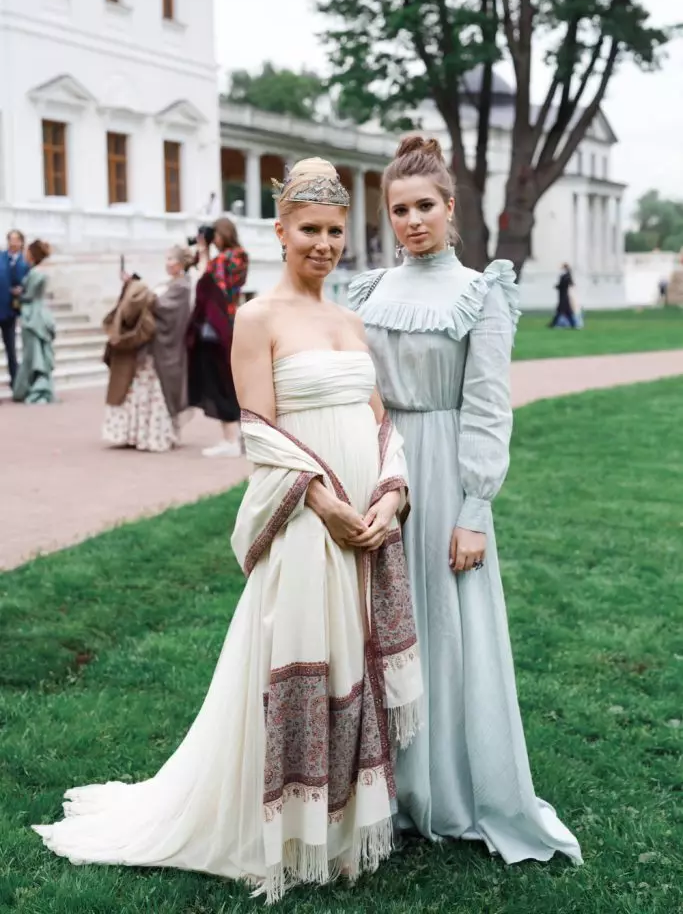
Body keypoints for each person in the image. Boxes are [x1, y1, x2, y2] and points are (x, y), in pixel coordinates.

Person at [33, 158, 423, 902]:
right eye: (309, 229)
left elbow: (380, 425)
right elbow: (262, 434)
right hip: (309, 520)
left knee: (353, 667)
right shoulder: (257, 317)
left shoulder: (349, 320)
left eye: (335, 231)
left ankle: (343, 830)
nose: (323, 244)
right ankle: (284, 828)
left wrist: (389, 496)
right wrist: (325, 503)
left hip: (365, 521)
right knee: (307, 663)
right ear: (278, 232)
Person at [348, 136, 582, 867]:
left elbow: (486, 405)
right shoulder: (368, 290)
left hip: (446, 472)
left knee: (448, 631)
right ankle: (386, 787)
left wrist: (473, 508)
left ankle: (446, 791)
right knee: (381, 628)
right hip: (379, 471)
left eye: (425, 207)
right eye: (399, 210)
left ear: (450, 210)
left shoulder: (481, 291)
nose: (412, 221)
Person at [102, 245, 193, 452]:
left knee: (156, 392)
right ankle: (138, 434)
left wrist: (137, 287)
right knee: (142, 389)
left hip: (163, 350)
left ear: (180, 264)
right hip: (151, 349)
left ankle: (155, 435)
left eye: (171, 259)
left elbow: (159, 307)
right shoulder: (170, 283)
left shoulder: (182, 287)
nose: (167, 262)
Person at [187, 217, 248, 458]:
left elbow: (206, 282)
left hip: (218, 329)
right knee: (232, 382)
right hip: (233, 325)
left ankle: (230, 439)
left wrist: (203, 251)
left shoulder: (224, 259)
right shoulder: (241, 256)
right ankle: (239, 435)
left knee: (221, 383)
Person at [12, 240, 56, 404]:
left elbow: (28, 296)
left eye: (27, 252)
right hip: (39, 313)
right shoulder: (38, 272)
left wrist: (17, 294)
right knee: (38, 353)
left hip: (33, 315)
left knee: (33, 355)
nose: (24, 254)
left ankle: (36, 389)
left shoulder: (35, 273)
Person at [0, 229, 30, 390]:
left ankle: (16, 384)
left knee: (11, 349)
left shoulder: (25, 262)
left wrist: (21, 290)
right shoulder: (1, 257)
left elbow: (29, 285)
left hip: (11, 312)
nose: (13, 243)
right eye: (10, 239)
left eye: (16, 240)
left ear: (21, 242)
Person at [549, 263, 577, 328]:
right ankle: (573, 324)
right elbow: (570, 284)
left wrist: (557, 286)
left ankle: (553, 324)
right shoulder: (568, 276)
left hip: (563, 297)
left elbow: (562, 285)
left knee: (562, 312)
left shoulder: (565, 276)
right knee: (565, 312)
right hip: (564, 296)